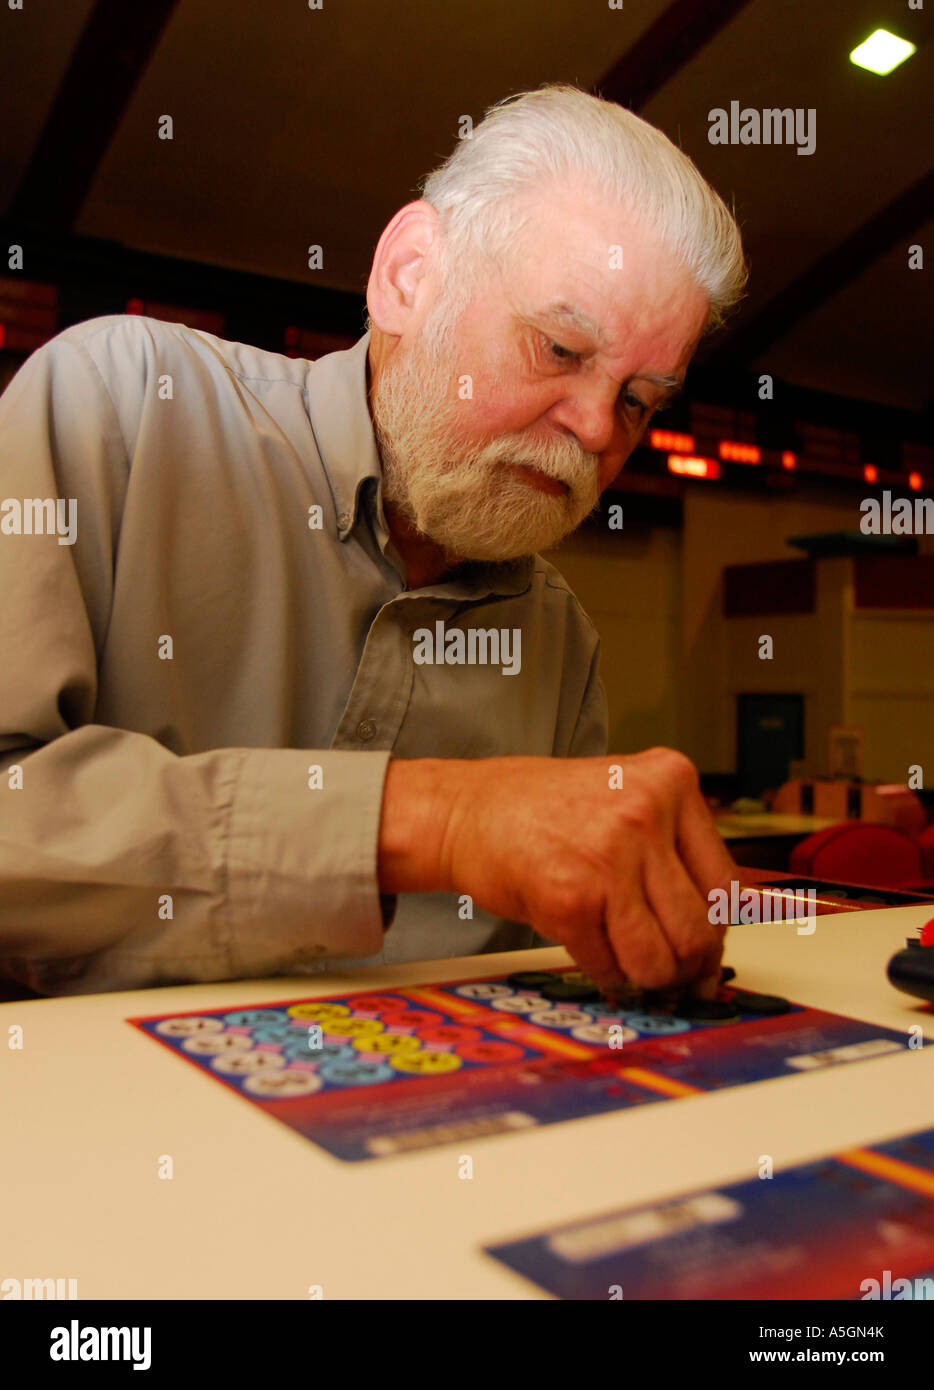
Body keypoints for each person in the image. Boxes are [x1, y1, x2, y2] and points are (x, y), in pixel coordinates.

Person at [0, 85, 746, 996]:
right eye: (558, 350)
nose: (598, 430)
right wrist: (438, 821)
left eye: (639, 401)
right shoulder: (119, 409)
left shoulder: (561, 643)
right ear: (408, 276)